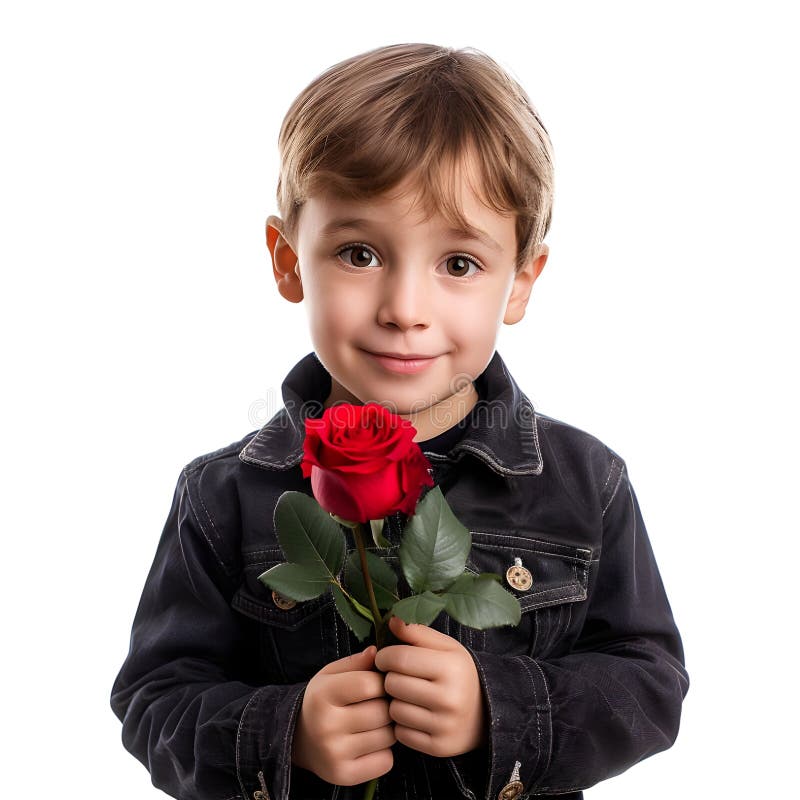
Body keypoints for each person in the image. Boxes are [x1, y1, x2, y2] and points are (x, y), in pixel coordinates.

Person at [110, 43, 689, 800]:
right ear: (288, 261)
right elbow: (155, 701)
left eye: (458, 264)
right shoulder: (223, 494)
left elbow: (649, 685)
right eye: (359, 253)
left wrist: (500, 709)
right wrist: (286, 732)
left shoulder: (588, 484)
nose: (404, 311)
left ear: (519, 283)